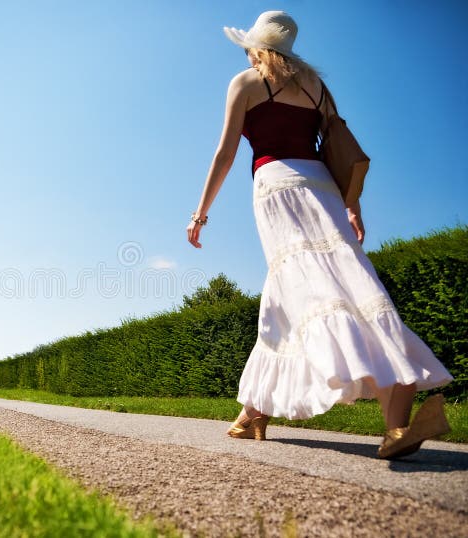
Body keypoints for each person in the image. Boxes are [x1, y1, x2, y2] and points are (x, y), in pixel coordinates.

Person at [185, 10, 454, 459]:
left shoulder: (246, 83)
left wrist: (200, 213)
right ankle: (254, 412)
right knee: (300, 289)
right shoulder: (316, 88)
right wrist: (353, 204)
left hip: (278, 188)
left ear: (256, 46)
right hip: (325, 188)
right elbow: (339, 148)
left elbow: (226, 152)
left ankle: (396, 404)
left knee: (314, 287)